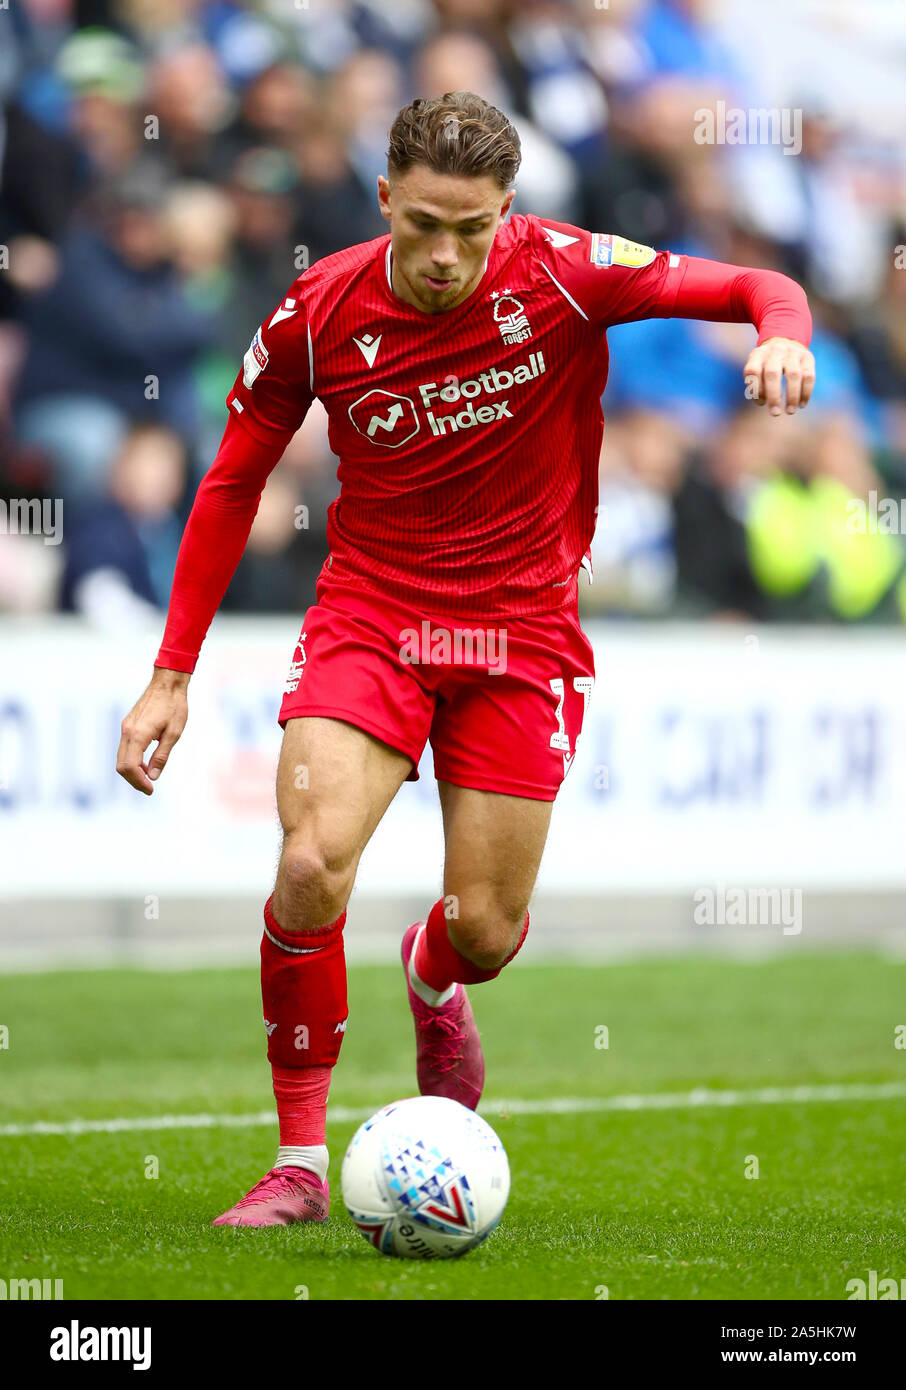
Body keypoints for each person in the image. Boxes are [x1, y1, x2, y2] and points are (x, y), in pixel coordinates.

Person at [115, 91, 815, 1229]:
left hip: (521, 633)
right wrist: (172, 669)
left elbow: (753, 286)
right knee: (308, 862)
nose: (447, 255)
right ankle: (298, 1161)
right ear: (384, 198)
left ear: (509, 211)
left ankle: (431, 974)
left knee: (485, 929)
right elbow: (234, 477)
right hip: (373, 617)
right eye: (424, 223)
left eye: (474, 228)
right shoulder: (316, 309)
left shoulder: (567, 270)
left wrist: (784, 330)